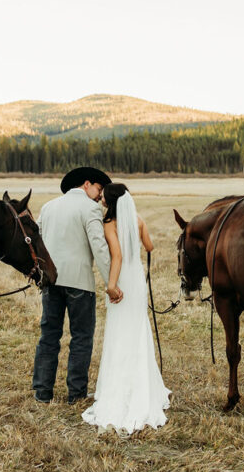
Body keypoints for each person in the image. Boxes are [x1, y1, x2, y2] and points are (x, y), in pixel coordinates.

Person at [82, 183, 171, 435]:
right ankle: (143, 388)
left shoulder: (110, 223)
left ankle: (119, 388)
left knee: (120, 332)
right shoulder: (139, 220)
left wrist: (111, 285)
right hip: (137, 280)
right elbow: (150, 247)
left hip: (121, 279)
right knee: (137, 329)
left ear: (110, 202)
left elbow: (117, 257)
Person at [32, 166, 122, 404]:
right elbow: (99, 247)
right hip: (80, 282)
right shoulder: (90, 208)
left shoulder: (48, 207)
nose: (99, 195)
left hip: (51, 281)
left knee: (48, 336)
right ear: (86, 184)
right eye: (98, 188)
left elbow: (36, 241)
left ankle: (42, 392)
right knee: (81, 337)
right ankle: (76, 393)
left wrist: (40, 273)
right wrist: (112, 282)